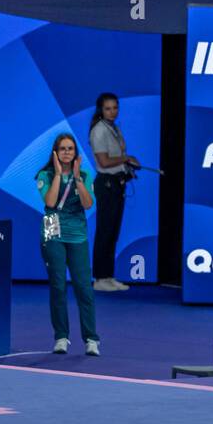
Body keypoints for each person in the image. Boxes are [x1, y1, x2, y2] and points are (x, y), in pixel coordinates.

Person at [36, 134, 99, 355]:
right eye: (62, 148)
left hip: (77, 234)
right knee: (58, 286)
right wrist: (58, 175)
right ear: (55, 152)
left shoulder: (84, 174)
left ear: (75, 153)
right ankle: (61, 337)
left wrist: (77, 179)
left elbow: (88, 203)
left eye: (70, 148)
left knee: (83, 287)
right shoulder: (44, 175)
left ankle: (91, 339)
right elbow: (51, 202)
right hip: (53, 229)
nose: (66, 152)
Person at [89, 93, 140, 292]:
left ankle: (108, 276)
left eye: (115, 108)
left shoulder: (114, 128)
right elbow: (104, 162)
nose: (112, 112)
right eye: (108, 108)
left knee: (113, 232)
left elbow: (117, 158)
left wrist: (128, 165)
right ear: (101, 110)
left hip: (118, 183)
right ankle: (100, 278)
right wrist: (126, 159)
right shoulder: (98, 131)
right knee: (104, 231)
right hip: (106, 184)